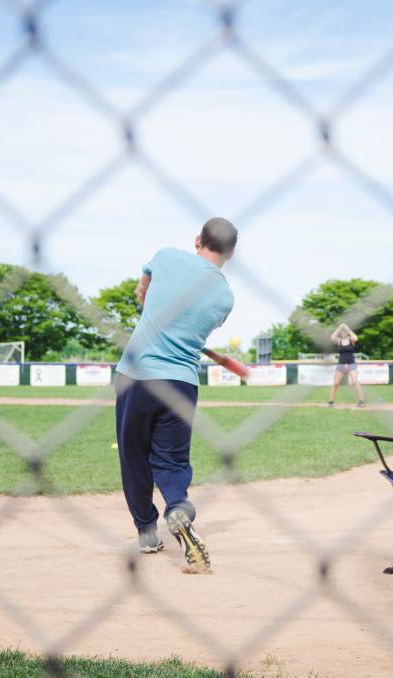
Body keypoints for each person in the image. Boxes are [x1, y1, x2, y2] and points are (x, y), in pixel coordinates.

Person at [114, 217, 237, 571]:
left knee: (134, 456)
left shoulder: (167, 256)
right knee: (171, 460)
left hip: (136, 375)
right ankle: (178, 507)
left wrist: (144, 291)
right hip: (181, 382)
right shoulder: (225, 297)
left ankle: (146, 532)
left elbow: (144, 287)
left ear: (198, 239)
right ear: (230, 253)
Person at [328, 323, 365, 407]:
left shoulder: (351, 340)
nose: (343, 333)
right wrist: (339, 327)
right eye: (342, 332)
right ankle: (331, 401)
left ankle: (361, 401)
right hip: (341, 364)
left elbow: (356, 338)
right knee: (335, 384)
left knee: (355, 382)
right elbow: (332, 337)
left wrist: (347, 328)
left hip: (351, 364)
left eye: (345, 331)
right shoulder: (339, 341)